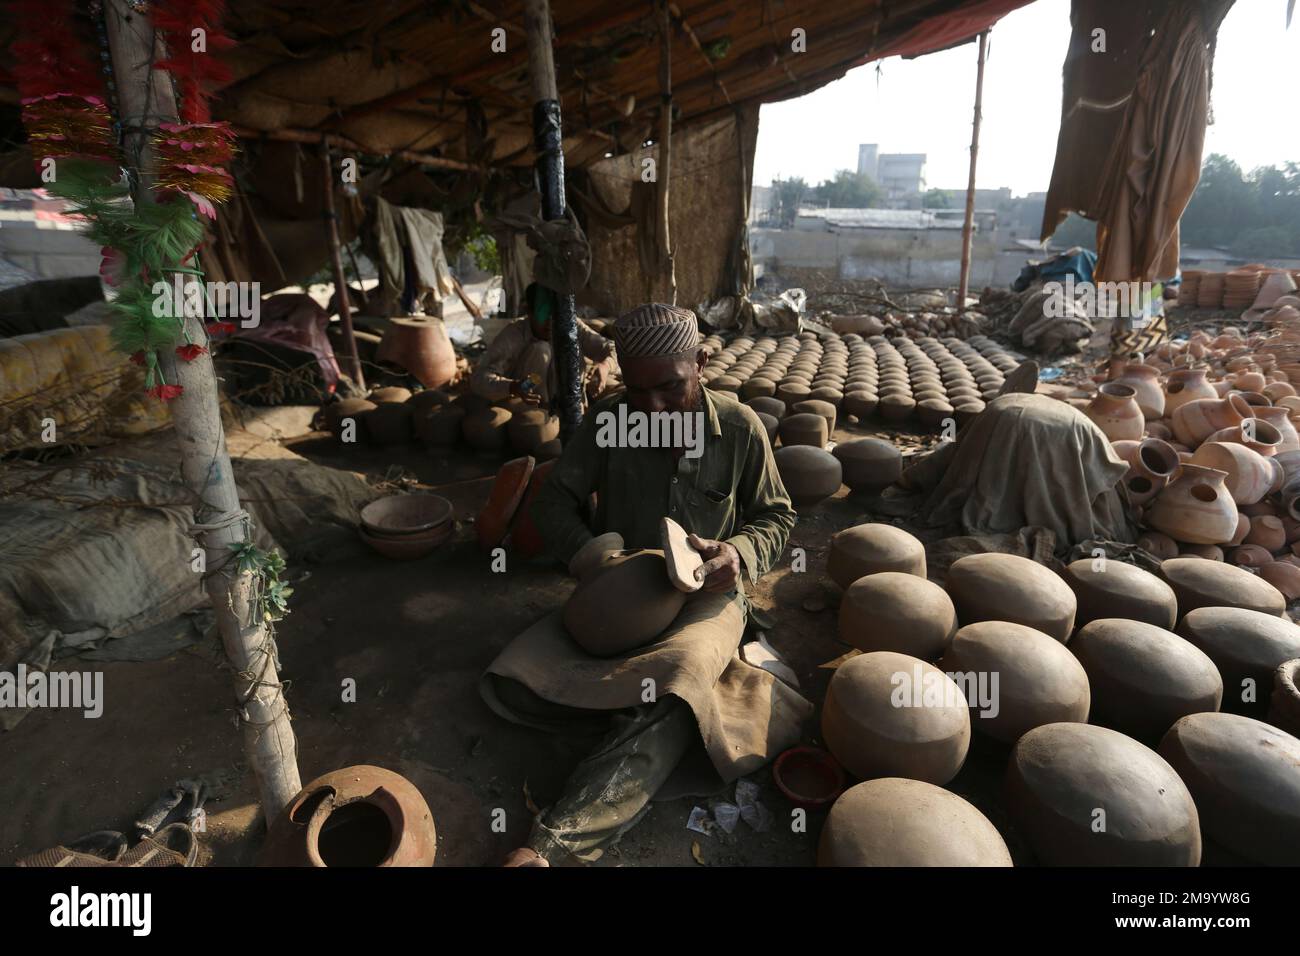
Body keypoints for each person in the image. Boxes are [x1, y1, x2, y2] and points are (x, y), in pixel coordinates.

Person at [478, 302, 807, 866]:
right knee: (512, 680)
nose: (652, 407)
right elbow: (554, 501)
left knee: (673, 695)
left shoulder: (739, 428)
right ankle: (631, 714)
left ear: (701, 362)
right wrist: (591, 555)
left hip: (708, 598)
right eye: (637, 391)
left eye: (669, 388)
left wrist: (738, 551)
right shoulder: (610, 423)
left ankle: (553, 846)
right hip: (622, 591)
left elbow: (777, 516)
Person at [470, 282, 616, 407]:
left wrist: (605, 366)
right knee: (541, 350)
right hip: (528, 406)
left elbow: (613, 348)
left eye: (554, 315)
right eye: (543, 315)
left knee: (570, 349)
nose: (550, 322)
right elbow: (479, 379)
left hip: (570, 405)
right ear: (529, 312)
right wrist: (512, 386)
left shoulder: (570, 325)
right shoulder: (514, 334)